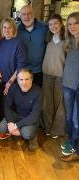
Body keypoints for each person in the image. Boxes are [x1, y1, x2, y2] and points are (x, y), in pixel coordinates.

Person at [0, 68, 43, 152]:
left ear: (32, 79)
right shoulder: (13, 88)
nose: (24, 82)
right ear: (17, 80)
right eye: (21, 79)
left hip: (31, 118)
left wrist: (16, 126)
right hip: (17, 115)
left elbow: (34, 116)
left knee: (27, 133)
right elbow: (7, 106)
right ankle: (19, 132)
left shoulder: (38, 92)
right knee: (2, 127)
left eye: (27, 79)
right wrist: (10, 122)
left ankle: (32, 137)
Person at [0, 17, 26, 120]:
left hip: (12, 81)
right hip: (0, 80)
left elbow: (20, 66)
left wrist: (10, 82)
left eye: (9, 28)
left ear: (14, 29)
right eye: (4, 27)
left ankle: (10, 127)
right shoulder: (0, 42)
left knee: (9, 106)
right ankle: (3, 126)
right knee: (1, 104)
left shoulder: (18, 43)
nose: (7, 30)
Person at [42, 14, 66, 138]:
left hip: (60, 76)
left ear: (61, 24)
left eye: (56, 23)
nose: (53, 26)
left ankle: (57, 130)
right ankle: (48, 127)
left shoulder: (67, 40)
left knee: (59, 104)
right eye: (50, 24)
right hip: (46, 75)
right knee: (47, 103)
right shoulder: (48, 39)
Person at [60, 12, 79, 162]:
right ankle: (71, 140)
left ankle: (76, 150)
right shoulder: (70, 41)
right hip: (68, 84)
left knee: (76, 119)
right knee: (69, 116)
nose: (72, 27)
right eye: (70, 24)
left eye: (75, 23)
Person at [18, 5, 48, 87]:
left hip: (39, 71)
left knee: (37, 96)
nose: (26, 17)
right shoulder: (17, 30)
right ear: (20, 16)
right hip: (23, 71)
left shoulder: (44, 28)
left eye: (29, 13)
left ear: (33, 14)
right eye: (23, 14)